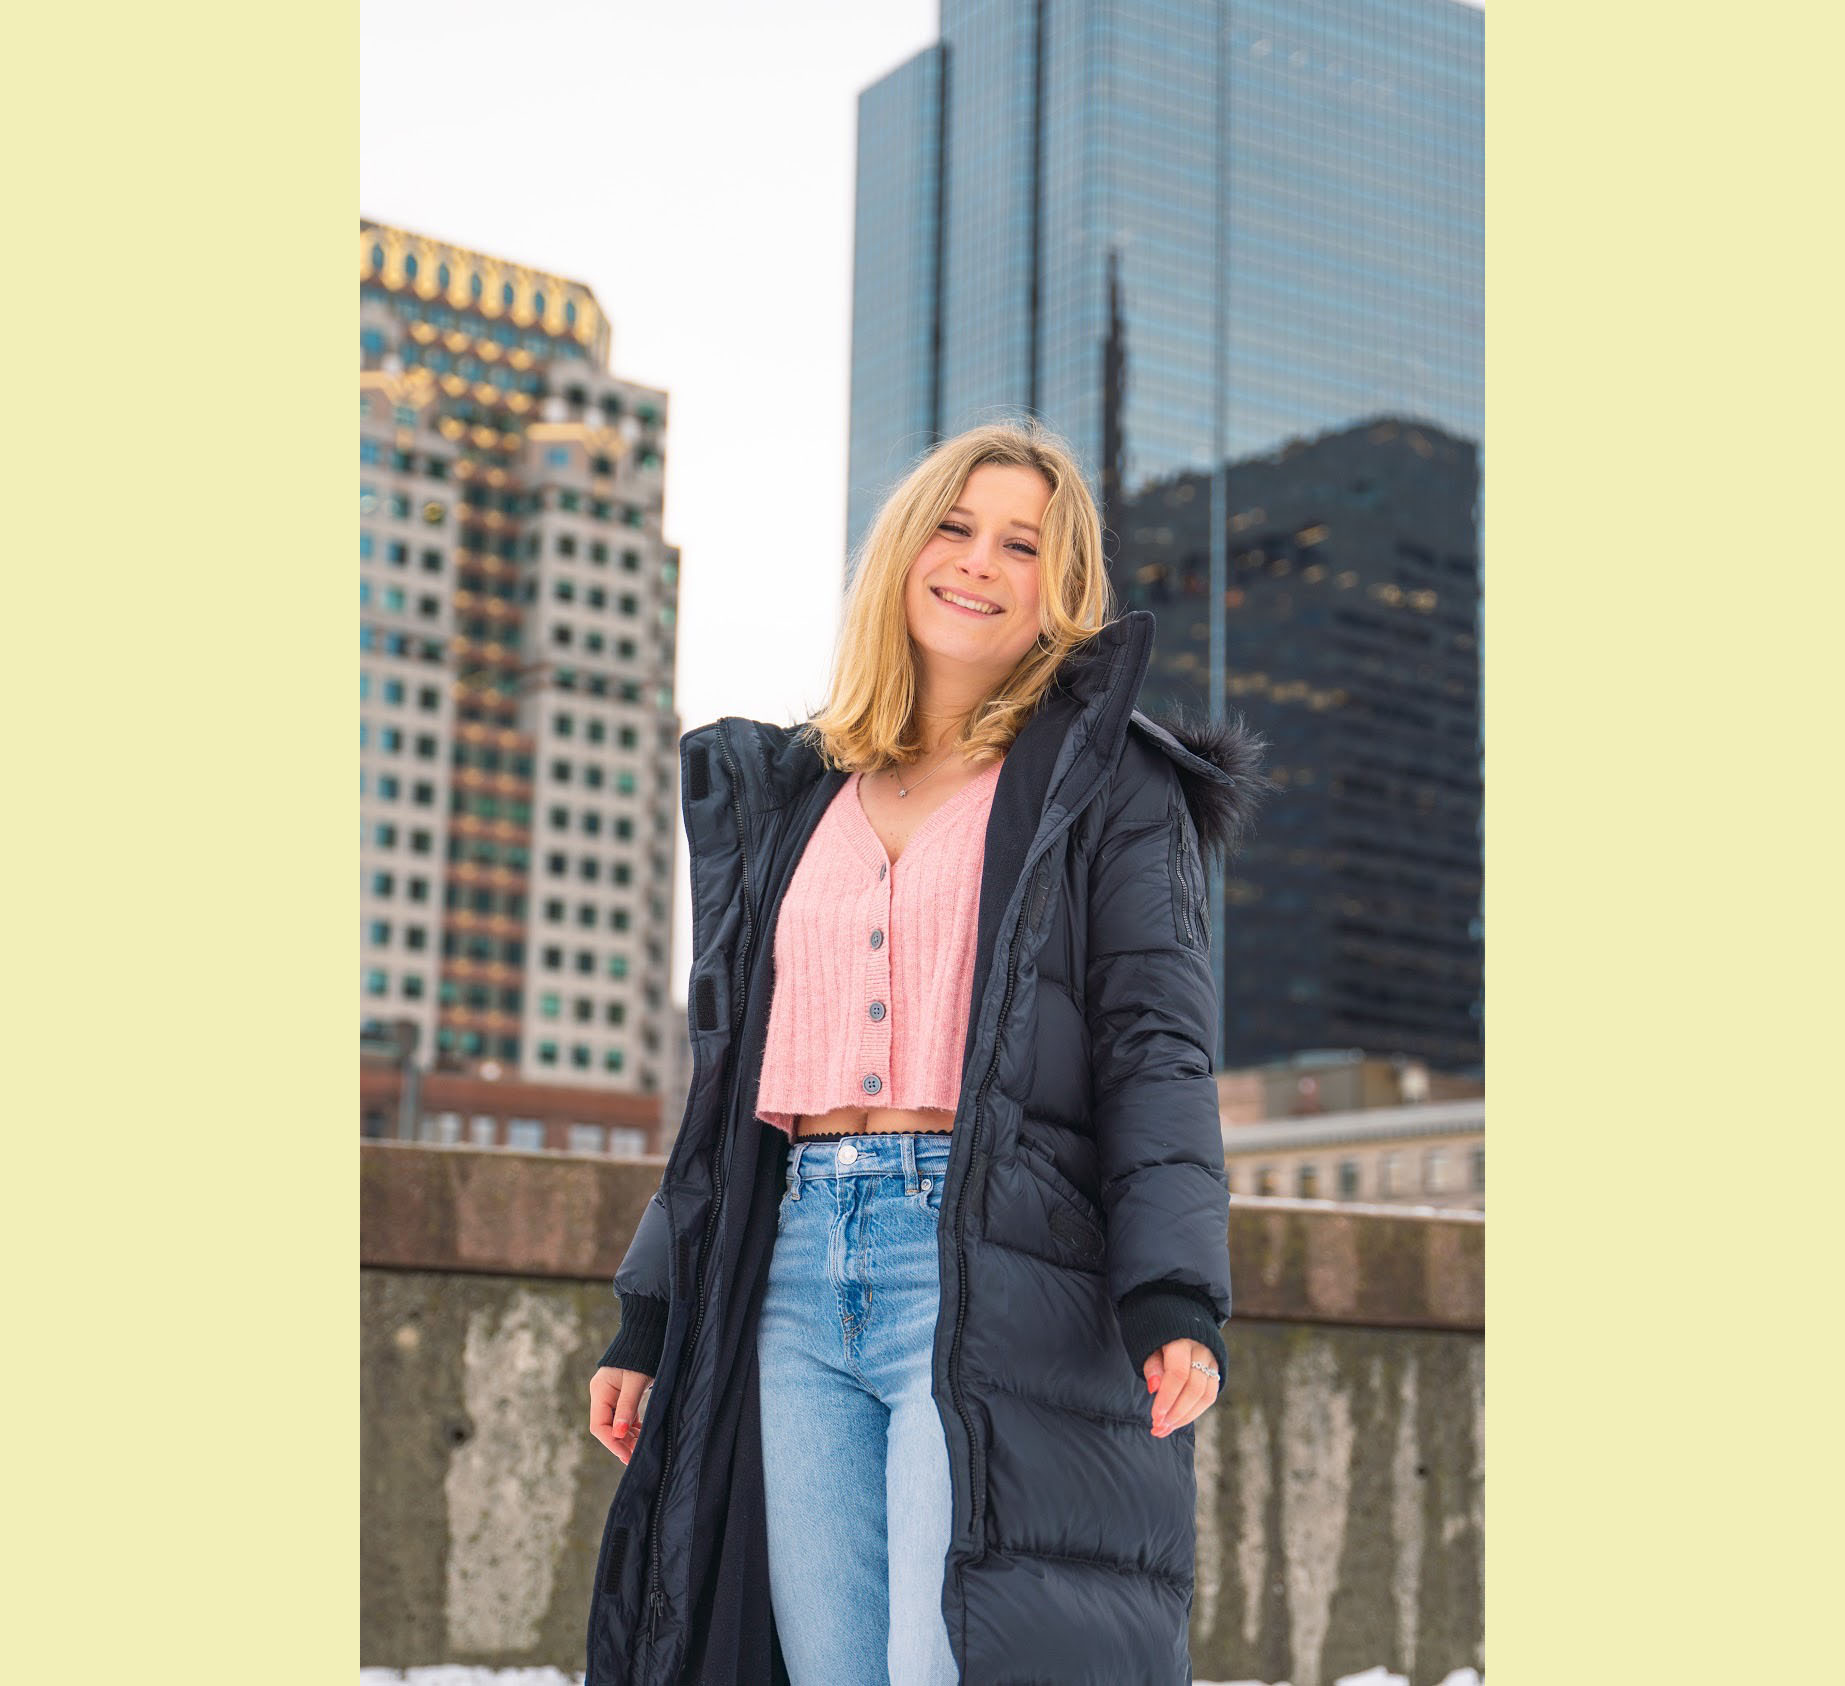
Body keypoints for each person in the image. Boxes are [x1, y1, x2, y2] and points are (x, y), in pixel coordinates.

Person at [585, 419, 1270, 1685]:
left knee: (942, 1660)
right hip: (793, 1272)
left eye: (1023, 544)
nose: (980, 562)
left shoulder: (1108, 785)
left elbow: (1155, 1047)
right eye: (955, 527)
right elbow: (730, 1080)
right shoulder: (801, 789)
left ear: (1057, 591)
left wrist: (1176, 1292)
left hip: (986, 1263)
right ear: (904, 551)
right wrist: (652, 1304)